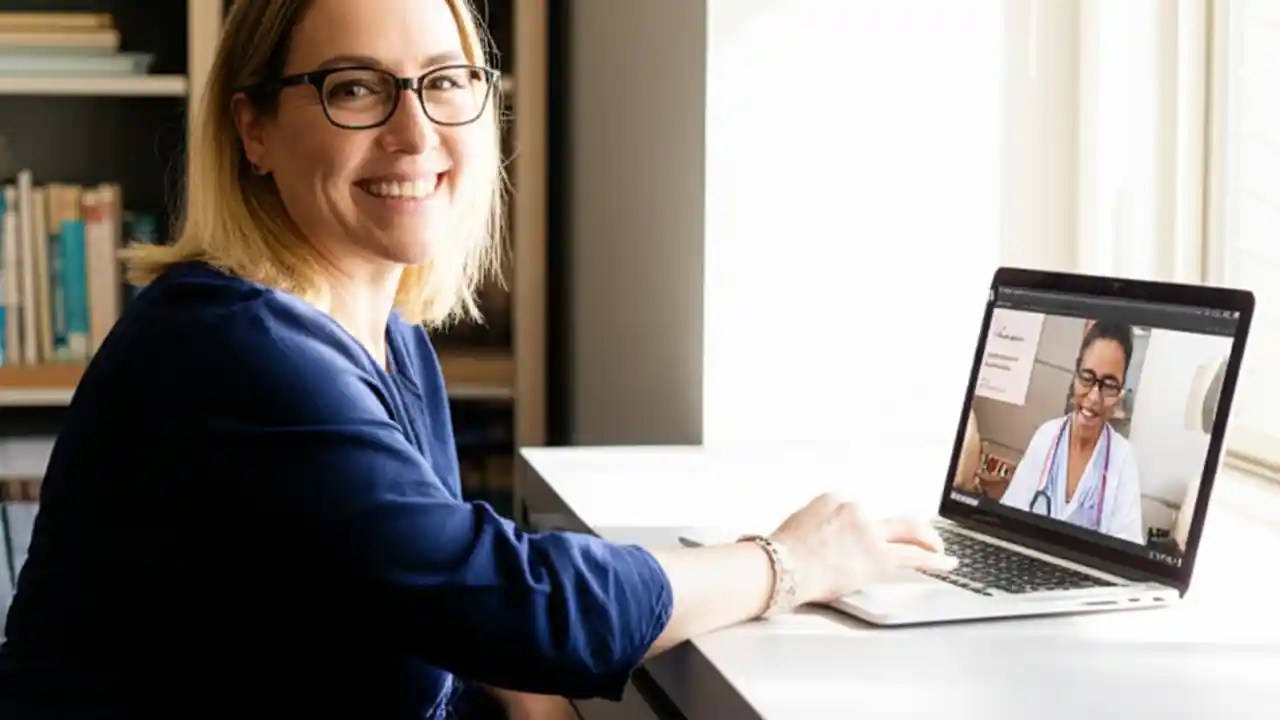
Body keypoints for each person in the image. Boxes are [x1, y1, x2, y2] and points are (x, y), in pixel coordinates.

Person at [0, 1, 956, 718]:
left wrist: (520, 687)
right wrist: (786, 562)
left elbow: (419, 581)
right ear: (253, 129)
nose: (416, 132)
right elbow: (513, 603)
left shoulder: (391, 340)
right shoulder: (232, 347)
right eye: (355, 86)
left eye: (446, 79)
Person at [999, 321, 1145, 545]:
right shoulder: (1046, 436)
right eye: (1087, 378)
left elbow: (1127, 548)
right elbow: (1008, 519)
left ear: (1121, 390)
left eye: (1109, 385)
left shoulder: (1123, 459)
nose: (1094, 398)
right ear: (1075, 374)